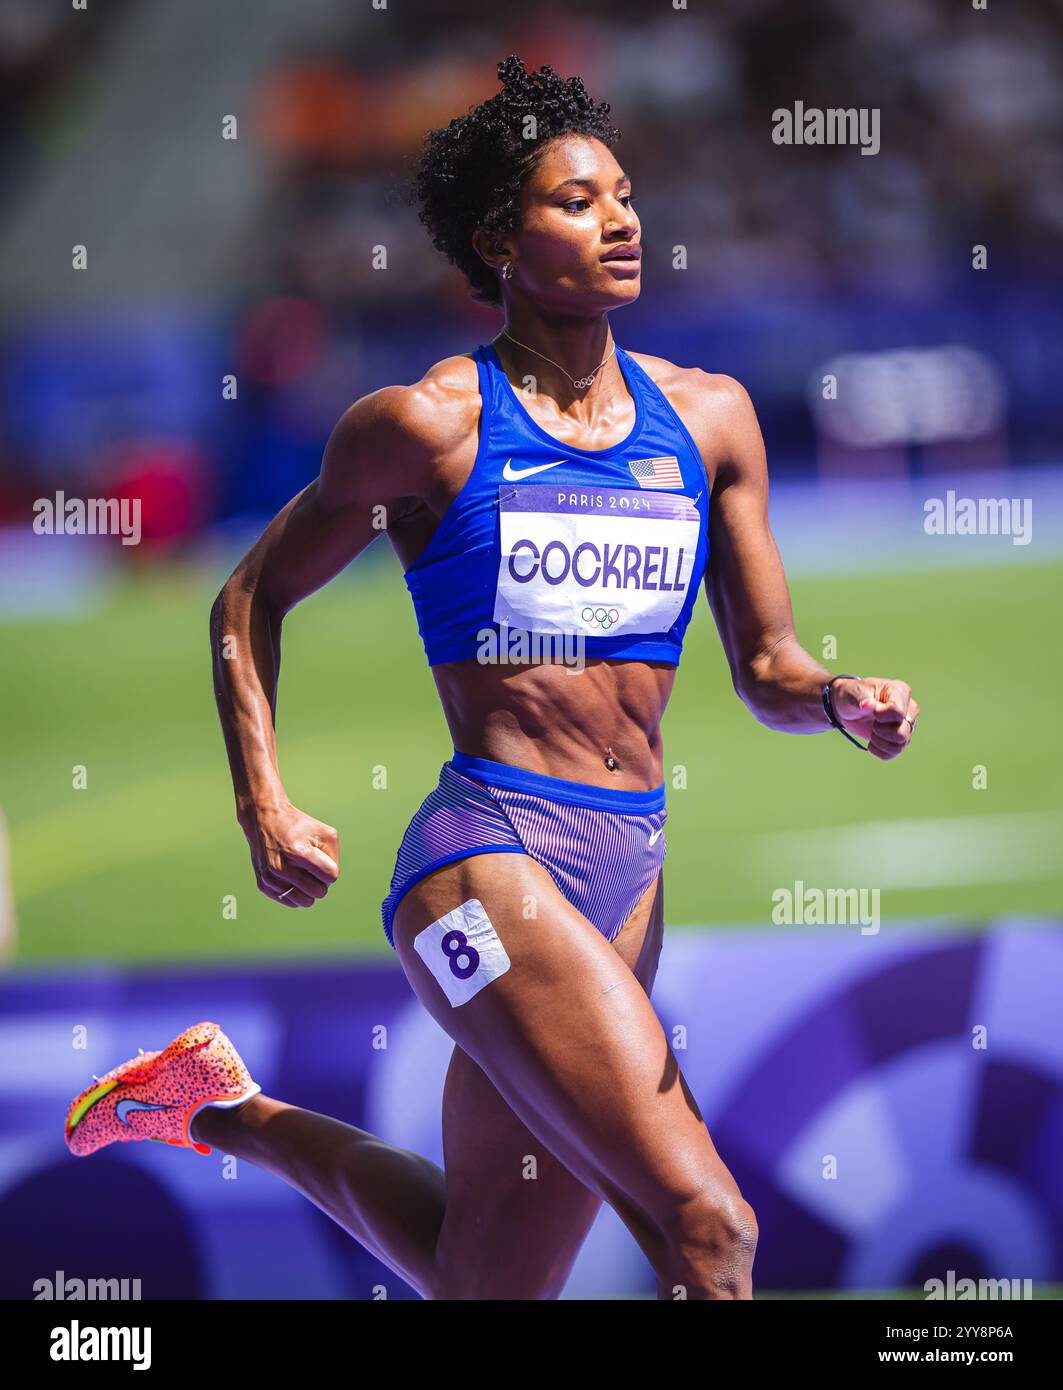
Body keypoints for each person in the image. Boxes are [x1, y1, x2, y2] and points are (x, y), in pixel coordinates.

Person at [64, 55, 919, 1301]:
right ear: (497, 241)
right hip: (484, 858)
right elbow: (246, 597)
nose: (621, 218)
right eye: (577, 201)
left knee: (482, 1281)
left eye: (624, 194)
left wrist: (839, 696)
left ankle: (221, 1108)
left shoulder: (711, 420)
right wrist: (266, 801)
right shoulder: (428, 427)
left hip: (630, 874)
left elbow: (766, 668)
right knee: (709, 1229)